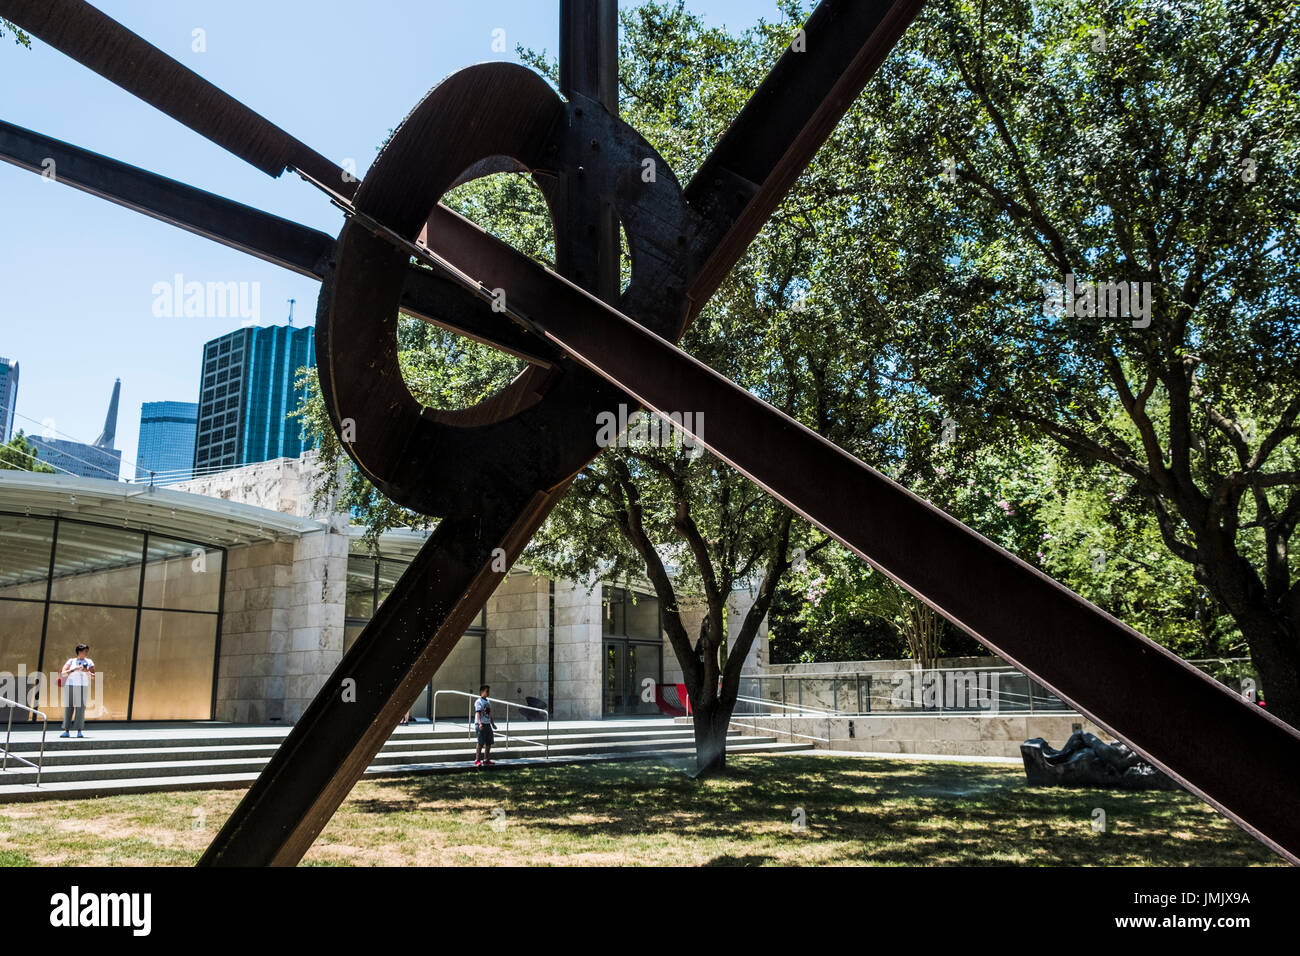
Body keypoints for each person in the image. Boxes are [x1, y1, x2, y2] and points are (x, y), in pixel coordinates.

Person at [59, 644, 94, 738]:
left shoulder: (89, 662)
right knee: (68, 708)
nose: (86, 653)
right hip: (70, 686)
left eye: (87, 651)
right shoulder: (71, 661)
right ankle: (66, 731)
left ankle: (79, 731)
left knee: (80, 709)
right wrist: (73, 669)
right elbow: (63, 674)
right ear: (79, 652)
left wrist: (86, 671)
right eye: (85, 651)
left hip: (82, 687)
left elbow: (93, 676)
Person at [474, 684, 495, 766]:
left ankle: (486, 759)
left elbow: (489, 714)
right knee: (480, 743)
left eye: (488, 691)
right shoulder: (478, 701)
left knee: (489, 743)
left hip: (487, 724)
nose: (488, 692)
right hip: (481, 724)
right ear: (482, 691)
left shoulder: (488, 701)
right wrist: (479, 723)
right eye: (487, 691)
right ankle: (477, 760)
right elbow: (478, 713)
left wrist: (492, 724)